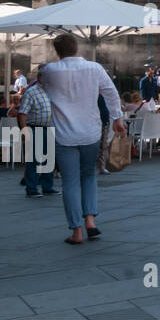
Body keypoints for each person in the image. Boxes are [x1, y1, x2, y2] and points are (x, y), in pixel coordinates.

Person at [37, 33, 124, 244]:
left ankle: (76, 231)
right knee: (89, 176)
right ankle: (91, 221)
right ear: (77, 47)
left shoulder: (49, 71)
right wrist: (117, 118)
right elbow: (111, 93)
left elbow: (40, 83)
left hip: (64, 133)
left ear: (56, 51)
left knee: (70, 182)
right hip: (90, 132)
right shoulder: (94, 68)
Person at [17, 76, 56, 198]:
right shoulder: (31, 92)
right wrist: (24, 131)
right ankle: (31, 188)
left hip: (49, 128)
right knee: (33, 160)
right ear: (40, 77)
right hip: (34, 127)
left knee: (49, 159)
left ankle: (47, 187)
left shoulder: (52, 91)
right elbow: (22, 113)